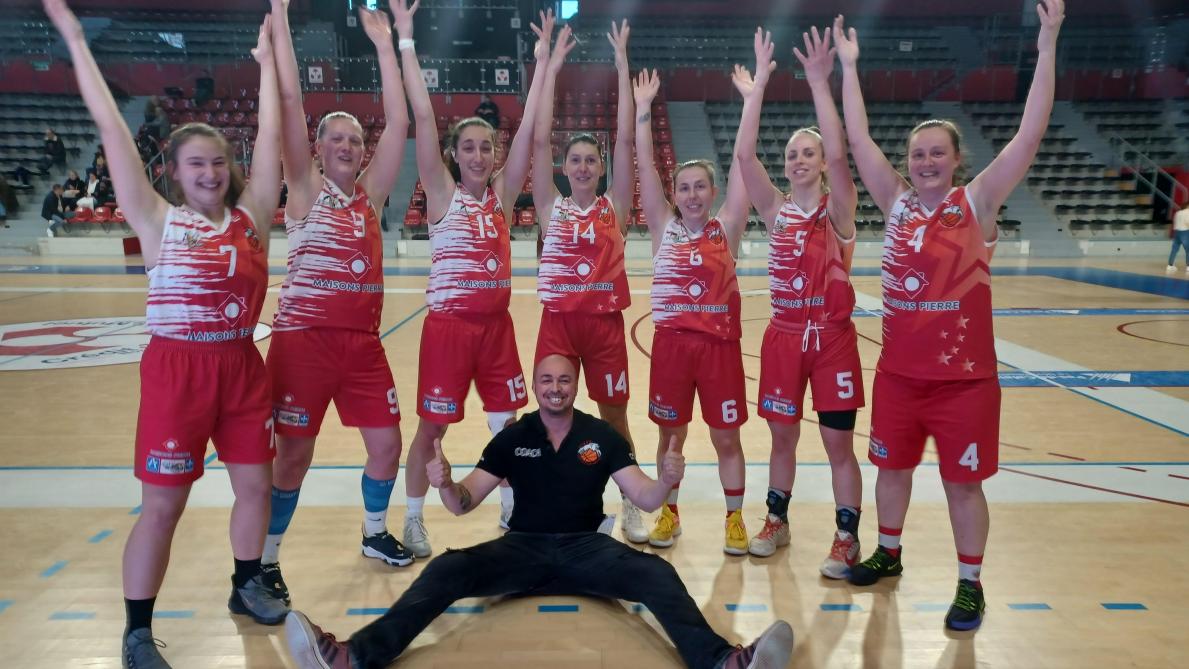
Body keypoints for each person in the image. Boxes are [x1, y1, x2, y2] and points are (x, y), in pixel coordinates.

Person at [42, 2, 287, 667]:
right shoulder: (157, 221)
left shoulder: (252, 216)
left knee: (256, 489)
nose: (209, 172)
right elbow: (109, 128)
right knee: (162, 507)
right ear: (174, 172)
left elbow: (273, 135)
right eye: (195, 164)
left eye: (216, 161)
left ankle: (245, 584)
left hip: (241, 366)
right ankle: (136, 630)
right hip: (178, 371)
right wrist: (72, 38)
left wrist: (267, 62)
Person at [283, 353, 795, 669]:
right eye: (547, 380)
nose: (556, 388)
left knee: (658, 575)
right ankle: (353, 656)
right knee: (447, 569)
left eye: (564, 381)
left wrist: (666, 479)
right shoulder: (515, 436)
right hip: (522, 548)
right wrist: (444, 485)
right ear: (536, 385)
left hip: (587, 549)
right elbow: (465, 504)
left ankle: (724, 661)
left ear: (575, 385)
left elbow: (643, 498)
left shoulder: (601, 435)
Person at [834, 1, 1064, 631]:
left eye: (937, 153)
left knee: (964, 486)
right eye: (917, 154)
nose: (925, 162)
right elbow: (857, 140)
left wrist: (1046, 40)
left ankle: (970, 585)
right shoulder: (896, 203)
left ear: (956, 159)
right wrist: (850, 68)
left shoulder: (980, 199)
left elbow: (1030, 132)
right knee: (891, 470)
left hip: (965, 383)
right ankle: (890, 552)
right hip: (901, 377)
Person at [260, 0, 415, 606]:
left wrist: (387, 45)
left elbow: (398, 124)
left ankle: (375, 533)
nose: (349, 146)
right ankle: (266, 559)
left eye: (355, 139)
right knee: (293, 458)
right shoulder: (303, 187)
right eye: (338, 139)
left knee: (386, 442)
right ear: (319, 148)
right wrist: (280, 23)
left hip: (362, 347)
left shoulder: (370, 197)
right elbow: (295, 104)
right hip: (303, 344)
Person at [396, 2, 552, 557]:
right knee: (430, 432)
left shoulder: (503, 198)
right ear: (454, 155)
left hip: (496, 330)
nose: (480, 154)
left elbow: (531, 127)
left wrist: (539, 65)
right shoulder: (442, 193)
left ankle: (512, 508)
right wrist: (408, 41)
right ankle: (414, 519)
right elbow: (421, 116)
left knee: (506, 427)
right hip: (449, 330)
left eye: (487, 147)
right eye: (469, 147)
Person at [731, 27, 865, 575]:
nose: (799, 159)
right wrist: (757, 89)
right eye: (791, 154)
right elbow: (743, 156)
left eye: (807, 152)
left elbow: (840, 151)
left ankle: (846, 535)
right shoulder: (776, 211)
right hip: (784, 336)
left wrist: (820, 83)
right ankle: (777, 520)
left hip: (832, 340)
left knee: (838, 444)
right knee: (781, 438)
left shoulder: (840, 209)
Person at [531, 19, 647, 543]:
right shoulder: (548, 207)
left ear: (600, 169)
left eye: (590, 160)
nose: (582, 166)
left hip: (603, 326)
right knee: (551, 417)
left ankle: (630, 500)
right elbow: (536, 139)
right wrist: (550, 68)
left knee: (614, 416)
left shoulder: (613, 208)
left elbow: (625, 139)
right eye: (573, 159)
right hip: (558, 324)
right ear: (564, 167)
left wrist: (621, 63)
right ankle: (548, 500)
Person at [634, 69, 753, 554]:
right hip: (673, 347)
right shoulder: (663, 226)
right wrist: (643, 113)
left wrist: (750, 101)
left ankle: (735, 518)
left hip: (719, 349)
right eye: (684, 187)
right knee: (671, 437)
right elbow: (644, 169)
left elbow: (745, 165)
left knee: (727, 439)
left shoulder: (728, 227)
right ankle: (669, 511)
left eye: (700, 186)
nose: (692, 195)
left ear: (712, 191)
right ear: (674, 194)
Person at [1167, 200, 1189, 273]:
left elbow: (1175, 222)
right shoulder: (1188, 212)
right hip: (1185, 232)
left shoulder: (1178, 212)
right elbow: (1187, 222)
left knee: (1174, 249)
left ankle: (1170, 265)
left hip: (1177, 232)